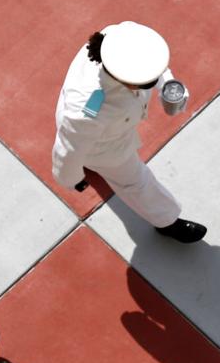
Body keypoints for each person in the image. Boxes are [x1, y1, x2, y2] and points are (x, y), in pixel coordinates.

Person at [53, 21, 207, 244]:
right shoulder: (89, 107)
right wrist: (72, 179)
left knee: (85, 149)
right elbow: (69, 149)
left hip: (99, 130)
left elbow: (153, 62)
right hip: (104, 148)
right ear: (121, 77)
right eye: (144, 82)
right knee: (135, 182)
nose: (150, 82)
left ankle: (87, 165)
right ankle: (167, 221)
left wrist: (168, 84)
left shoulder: (120, 40)